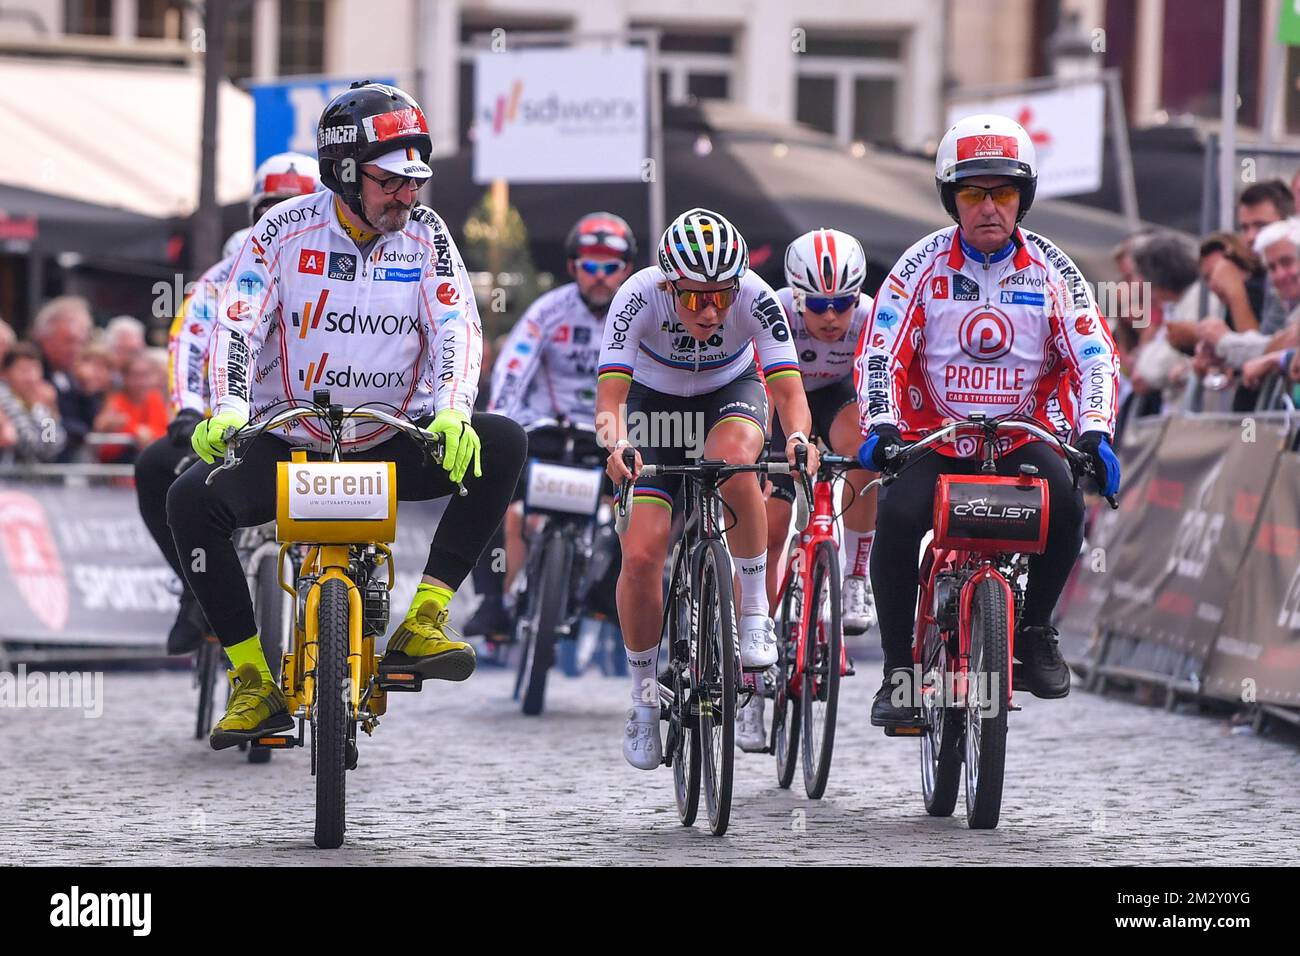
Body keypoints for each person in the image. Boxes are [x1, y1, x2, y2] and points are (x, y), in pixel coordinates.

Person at [167, 81, 526, 750]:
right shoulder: (280, 229)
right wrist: (228, 409)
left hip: (389, 437)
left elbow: (456, 325)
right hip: (292, 437)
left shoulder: (428, 233)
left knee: (501, 441)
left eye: (414, 180)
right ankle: (251, 679)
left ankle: (426, 618)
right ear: (341, 172)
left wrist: (452, 413)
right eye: (389, 181)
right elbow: (235, 323)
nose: (406, 195)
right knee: (190, 498)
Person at [856, 114, 1120, 728]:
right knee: (896, 518)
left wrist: (1095, 432)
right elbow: (880, 350)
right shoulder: (918, 264)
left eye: (1003, 193)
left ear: (1022, 200)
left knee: (1067, 504)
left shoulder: (1054, 268)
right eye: (973, 193)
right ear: (952, 199)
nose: (989, 207)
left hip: (1022, 436)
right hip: (934, 438)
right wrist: (883, 427)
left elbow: (1094, 353)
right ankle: (899, 672)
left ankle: (1034, 631)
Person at [597, 207, 818, 769]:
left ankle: (751, 614)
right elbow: (610, 403)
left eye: (722, 295)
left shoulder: (757, 298)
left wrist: (795, 438)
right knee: (642, 553)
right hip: (653, 406)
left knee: (736, 462)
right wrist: (616, 446)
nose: (711, 309)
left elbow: (791, 394)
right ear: (669, 285)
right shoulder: (637, 296)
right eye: (695, 298)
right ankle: (646, 699)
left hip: (729, 393)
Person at [136, 154, 321, 655]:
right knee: (157, 467)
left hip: (310, 423)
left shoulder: (334, 269)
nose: (282, 216)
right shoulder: (224, 273)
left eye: (296, 205)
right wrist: (187, 409)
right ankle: (197, 591)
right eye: (271, 208)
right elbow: (189, 342)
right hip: (229, 425)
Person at [464, 212, 637, 641]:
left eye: (610, 266)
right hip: (544, 428)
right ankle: (490, 602)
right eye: (589, 265)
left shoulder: (638, 313)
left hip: (607, 435)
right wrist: (500, 421)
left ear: (627, 269)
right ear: (573, 266)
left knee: (648, 502)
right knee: (485, 488)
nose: (599, 276)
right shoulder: (549, 309)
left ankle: (605, 591)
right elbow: (513, 365)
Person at [765, 229, 878, 636]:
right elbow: (758, 387)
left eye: (842, 303)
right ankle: (756, 624)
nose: (831, 316)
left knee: (866, 454)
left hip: (835, 396)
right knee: (774, 522)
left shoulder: (870, 315)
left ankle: (856, 577)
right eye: (817, 305)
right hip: (780, 398)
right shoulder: (774, 309)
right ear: (797, 297)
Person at [31, 296, 94, 460]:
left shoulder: (72, 377)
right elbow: (47, 438)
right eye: (69, 341)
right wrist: (67, 429)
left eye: (81, 342)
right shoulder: (30, 374)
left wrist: (88, 391)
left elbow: (89, 424)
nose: (75, 349)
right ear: (45, 338)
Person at [92, 351, 168, 463]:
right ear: (125, 377)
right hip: (116, 466)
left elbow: (164, 431)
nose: (141, 382)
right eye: (136, 375)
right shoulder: (115, 401)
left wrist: (145, 433)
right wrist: (136, 431)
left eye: (145, 375)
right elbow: (103, 427)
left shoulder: (155, 399)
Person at [0, 342, 66, 463]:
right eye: (24, 370)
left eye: (35, 369)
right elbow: (28, 445)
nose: (31, 377)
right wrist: (43, 412)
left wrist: (48, 411)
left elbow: (52, 447)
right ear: (5, 374)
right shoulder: (3, 397)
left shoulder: (38, 401)